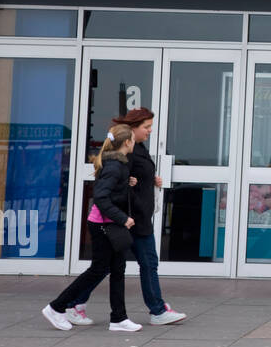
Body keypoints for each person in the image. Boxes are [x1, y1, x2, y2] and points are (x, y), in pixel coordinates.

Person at [62, 108, 186, 326]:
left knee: (109, 266)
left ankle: (75, 303)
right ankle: (156, 310)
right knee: (140, 263)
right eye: (146, 127)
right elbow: (116, 183)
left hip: (135, 217)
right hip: (130, 218)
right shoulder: (127, 152)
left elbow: (132, 178)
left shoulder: (137, 147)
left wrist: (151, 180)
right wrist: (127, 209)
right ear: (132, 129)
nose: (149, 131)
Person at [43, 125, 141, 332]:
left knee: (117, 269)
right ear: (126, 142)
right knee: (99, 269)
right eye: (133, 139)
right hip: (103, 225)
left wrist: (126, 184)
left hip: (108, 224)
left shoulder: (118, 165)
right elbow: (101, 197)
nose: (135, 142)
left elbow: (111, 192)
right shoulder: (115, 166)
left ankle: (119, 319)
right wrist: (123, 218)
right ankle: (56, 307)